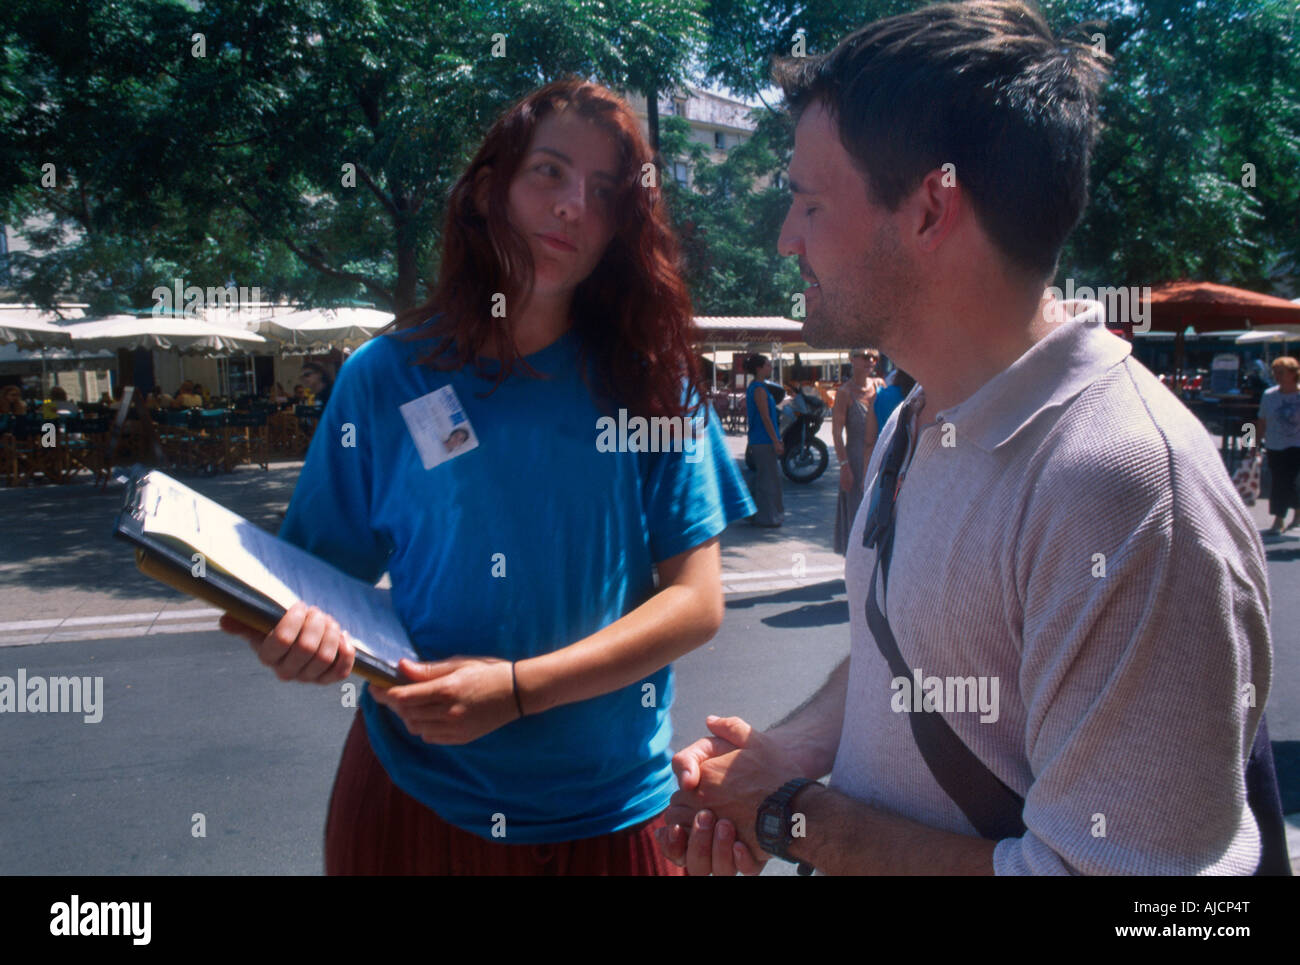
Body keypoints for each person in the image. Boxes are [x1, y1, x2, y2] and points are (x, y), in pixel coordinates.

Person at [659, 0, 1278, 876]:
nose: (785, 236)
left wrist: (795, 821)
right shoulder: (922, 416)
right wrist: (788, 752)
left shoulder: (1122, 486)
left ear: (928, 209)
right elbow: (908, 656)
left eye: (806, 202)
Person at [217, 77, 754, 875]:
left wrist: (516, 689)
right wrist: (289, 638)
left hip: (605, 814)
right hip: (412, 802)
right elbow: (312, 586)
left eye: (605, 191)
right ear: (487, 189)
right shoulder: (384, 378)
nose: (575, 204)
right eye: (549, 172)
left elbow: (696, 601)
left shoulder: (654, 383)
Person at [831, 350, 885, 553]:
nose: (870, 360)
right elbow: (836, 433)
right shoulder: (845, 393)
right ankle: (856, 559)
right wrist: (844, 466)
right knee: (857, 513)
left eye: (874, 357)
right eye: (864, 356)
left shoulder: (880, 385)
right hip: (854, 458)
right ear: (851, 359)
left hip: (879, 455)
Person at [1256, 355, 1300, 533]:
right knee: (1279, 483)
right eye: (1275, 372)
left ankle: (1294, 517)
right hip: (1275, 444)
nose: (1277, 376)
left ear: (1293, 374)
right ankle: (1279, 519)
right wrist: (1251, 445)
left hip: (1297, 445)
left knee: (1295, 482)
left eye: (1281, 372)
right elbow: (1259, 421)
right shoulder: (1269, 395)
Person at [744, 353, 784, 526]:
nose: (770, 368)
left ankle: (753, 512)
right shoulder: (759, 389)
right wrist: (775, 440)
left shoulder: (757, 387)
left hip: (759, 438)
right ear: (759, 368)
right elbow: (765, 417)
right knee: (768, 479)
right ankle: (766, 517)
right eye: (767, 365)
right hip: (763, 439)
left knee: (762, 477)